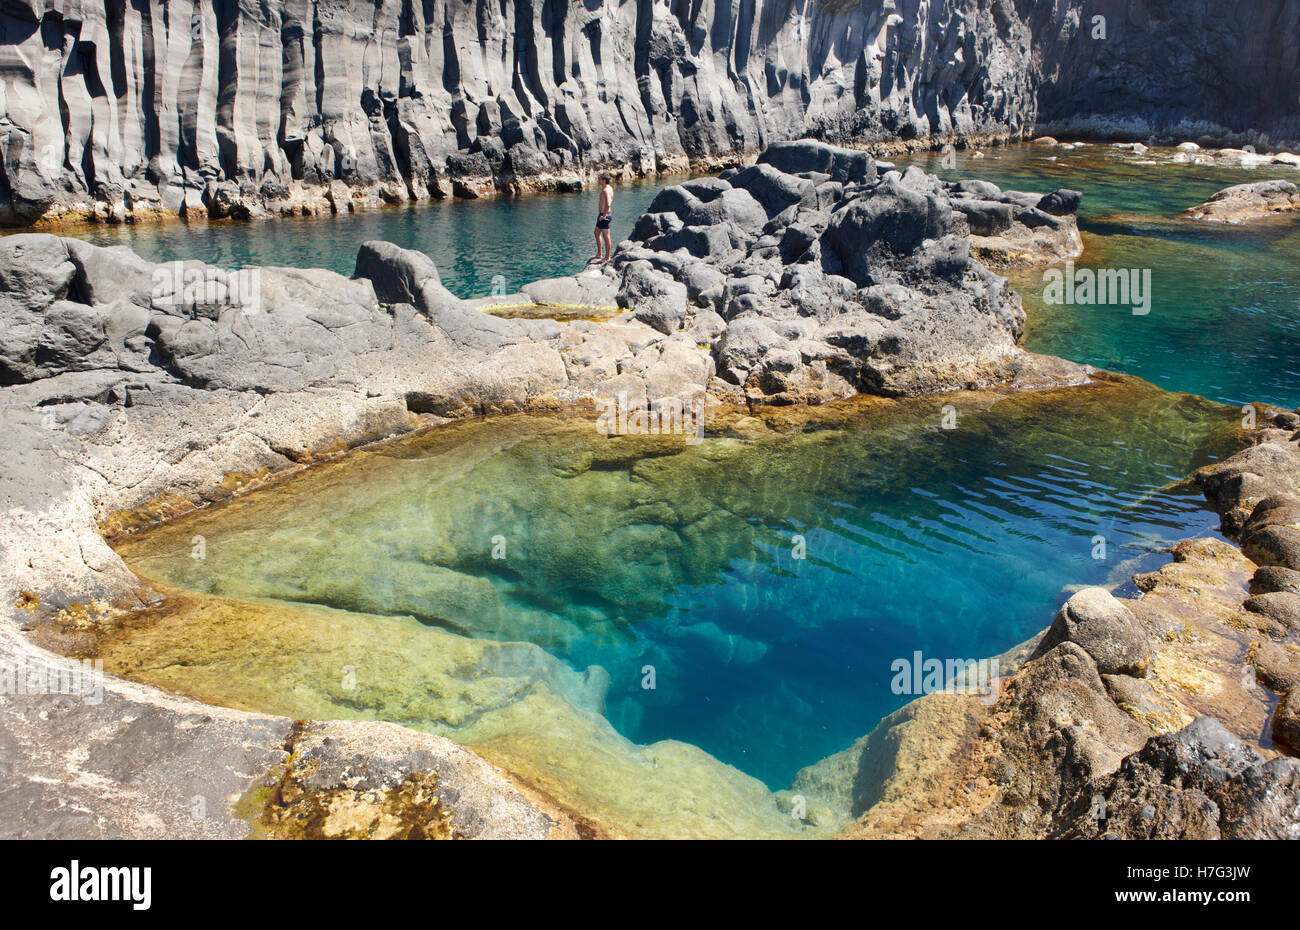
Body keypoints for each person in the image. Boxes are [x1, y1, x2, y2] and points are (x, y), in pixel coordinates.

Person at [591, 172, 614, 264]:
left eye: (600, 179)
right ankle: (599, 253)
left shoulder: (606, 190)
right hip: (602, 214)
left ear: (604, 180)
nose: (598, 180)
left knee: (606, 235)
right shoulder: (609, 188)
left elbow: (608, 204)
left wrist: (604, 216)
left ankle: (607, 257)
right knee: (596, 232)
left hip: (604, 215)